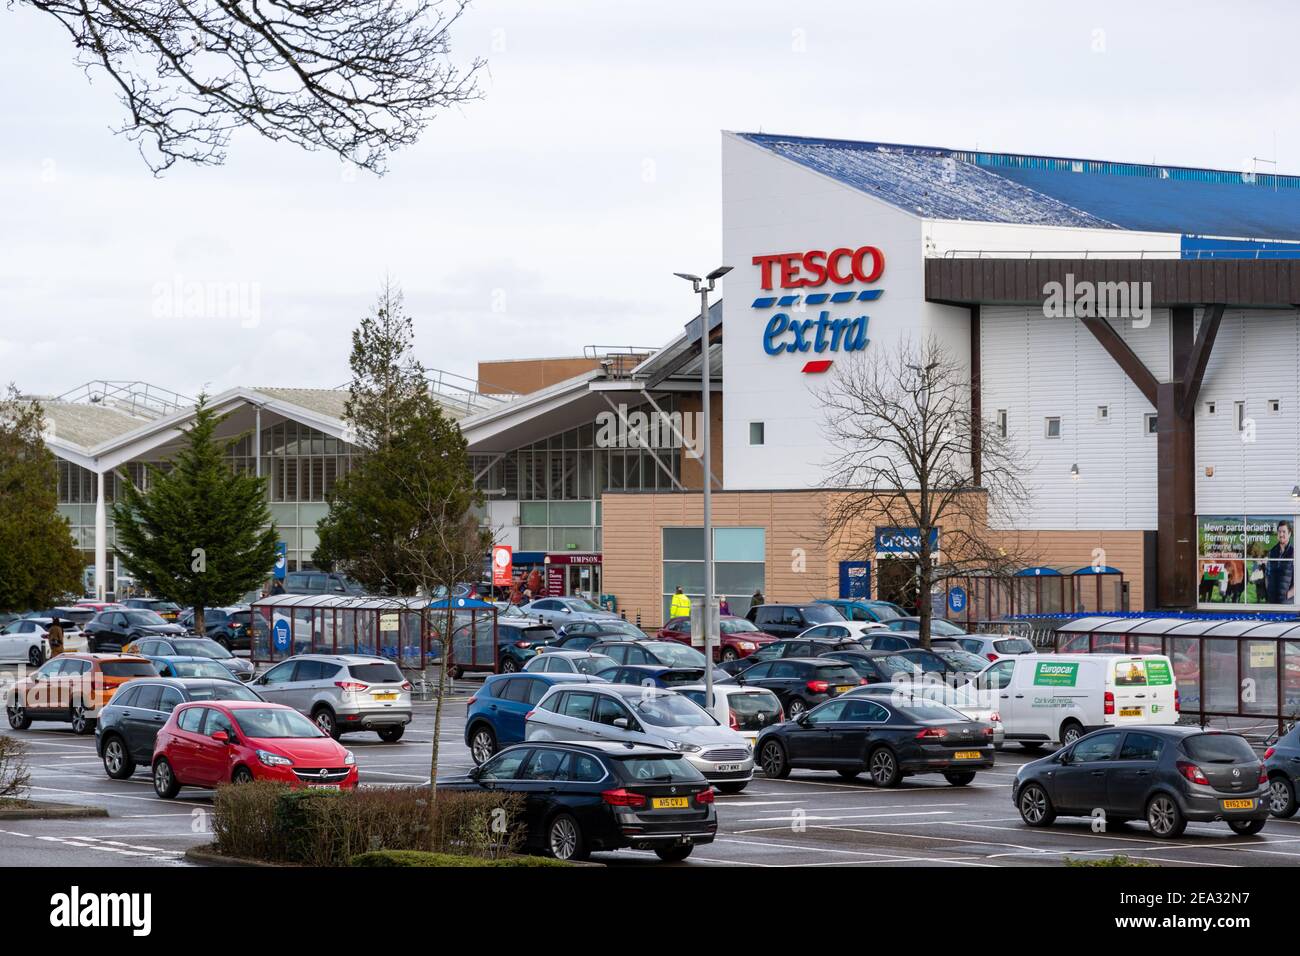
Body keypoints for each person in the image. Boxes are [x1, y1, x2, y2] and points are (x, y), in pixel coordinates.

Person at [1265, 520, 1295, 604]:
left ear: (1289, 534)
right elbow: (1267, 574)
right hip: (1272, 601)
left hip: (1288, 602)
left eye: (1284, 532)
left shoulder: (1294, 553)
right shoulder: (1272, 552)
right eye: (1279, 531)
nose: (1281, 534)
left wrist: (1289, 594)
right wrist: (1269, 592)